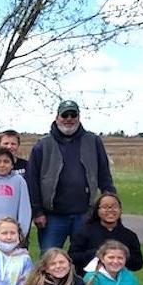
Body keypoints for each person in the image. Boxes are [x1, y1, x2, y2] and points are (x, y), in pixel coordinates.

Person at [26, 100, 116, 251]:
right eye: (65, 115)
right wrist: (37, 211)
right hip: (52, 217)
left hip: (85, 214)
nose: (69, 119)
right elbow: (32, 180)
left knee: (86, 258)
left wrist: (111, 202)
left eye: (73, 115)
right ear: (57, 117)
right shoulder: (42, 145)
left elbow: (104, 175)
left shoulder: (93, 141)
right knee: (50, 259)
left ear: (79, 117)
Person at [69, 192, 143, 273]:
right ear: (97, 210)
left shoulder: (129, 235)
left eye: (114, 207)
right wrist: (96, 253)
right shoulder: (84, 232)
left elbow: (138, 264)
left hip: (120, 278)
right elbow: (72, 257)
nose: (110, 210)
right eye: (105, 207)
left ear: (120, 210)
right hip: (91, 277)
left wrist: (120, 256)